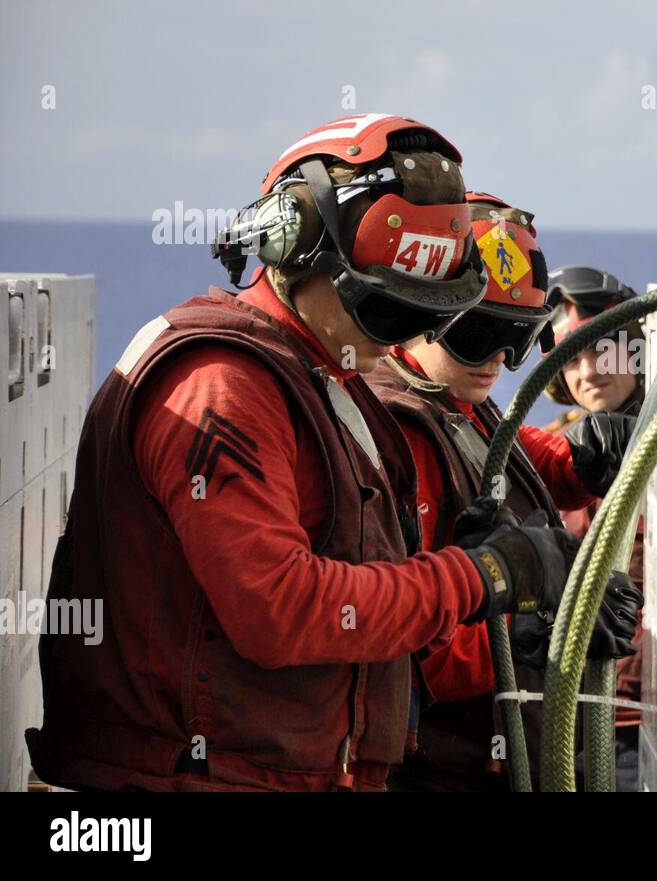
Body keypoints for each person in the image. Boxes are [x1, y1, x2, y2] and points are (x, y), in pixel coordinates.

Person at [26, 115, 586, 792]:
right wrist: (479, 576)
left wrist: (448, 559)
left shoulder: (327, 381)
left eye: (425, 317)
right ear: (294, 244)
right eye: (386, 311)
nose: (402, 339)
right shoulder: (221, 387)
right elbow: (277, 607)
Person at [366, 192, 641, 791]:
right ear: (417, 310)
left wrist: (591, 451)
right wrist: (542, 634)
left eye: (517, 337)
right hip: (452, 767)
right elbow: (413, 650)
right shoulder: (398, 432)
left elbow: (527, 465)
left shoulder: (459, 399)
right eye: (478, 334)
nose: (497, 359)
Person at [543, 266, 646, 792]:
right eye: (574, 359)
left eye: (604, 352)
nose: (589, 371)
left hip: (652, 718)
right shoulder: (549, 455)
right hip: (574, 712)